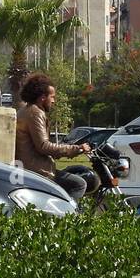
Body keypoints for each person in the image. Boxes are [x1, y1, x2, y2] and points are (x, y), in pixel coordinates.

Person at [14, 73, 99, 203]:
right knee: (79, 184)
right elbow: (43, 146)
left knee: (70, 172)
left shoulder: (25, 110)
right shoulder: (35, 113)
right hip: (38, 172)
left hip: (29, 168)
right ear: (43, 97)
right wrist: (77, 149)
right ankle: (67, 217)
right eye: (52, 97)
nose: (54, 101)